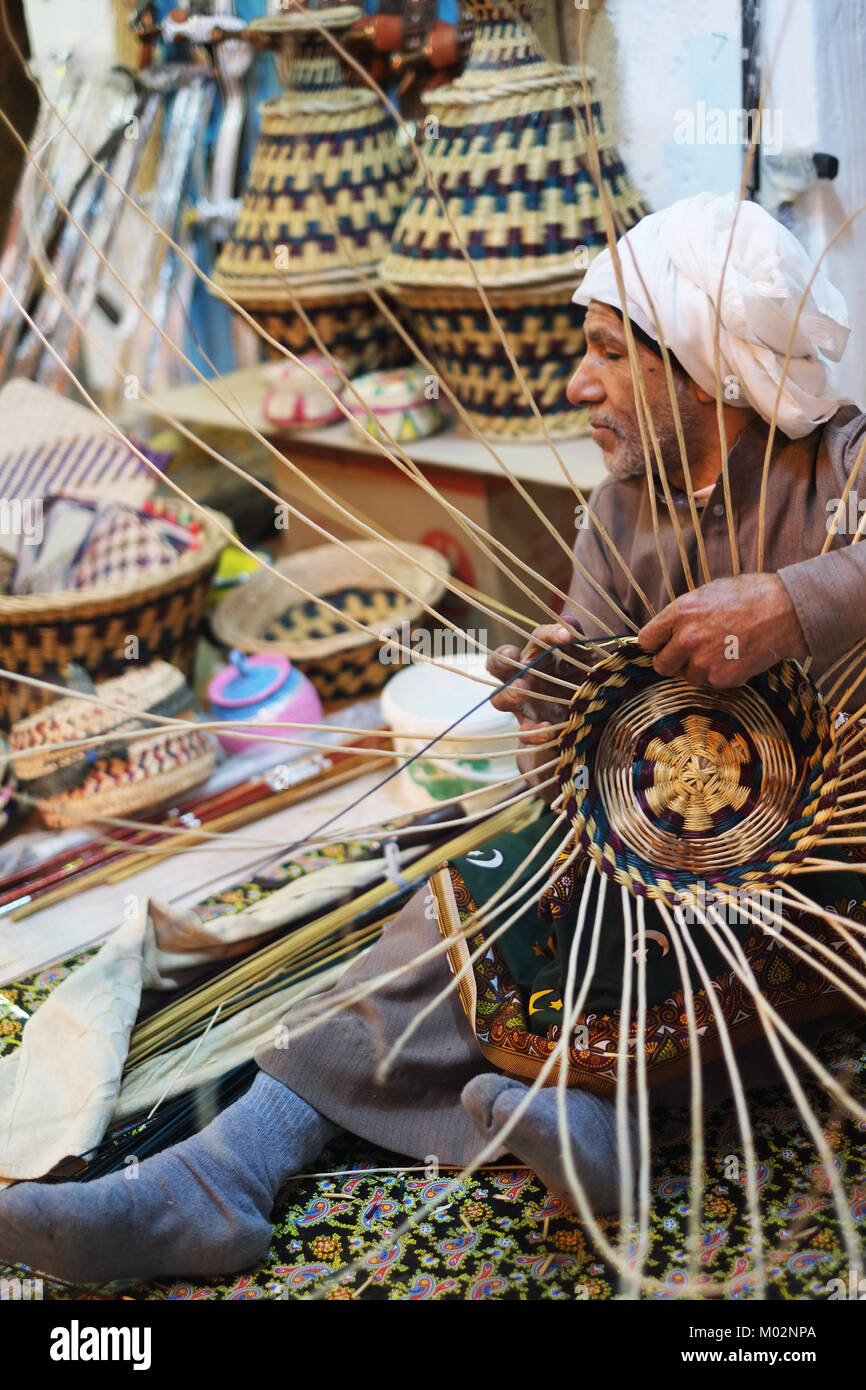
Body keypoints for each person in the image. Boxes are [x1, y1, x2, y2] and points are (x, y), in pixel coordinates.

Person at [1, 191, 863, 1288]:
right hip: (663, 860)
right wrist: (555, 705)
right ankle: (232, 1170)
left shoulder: (841, 469)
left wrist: (795, 600)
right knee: (469, 877)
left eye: (604, 352)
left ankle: (599, 1123)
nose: (574, 384)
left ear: (704, 370)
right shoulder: (619, 510)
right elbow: (576, 766)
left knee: (702, 922)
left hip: (828, 875)